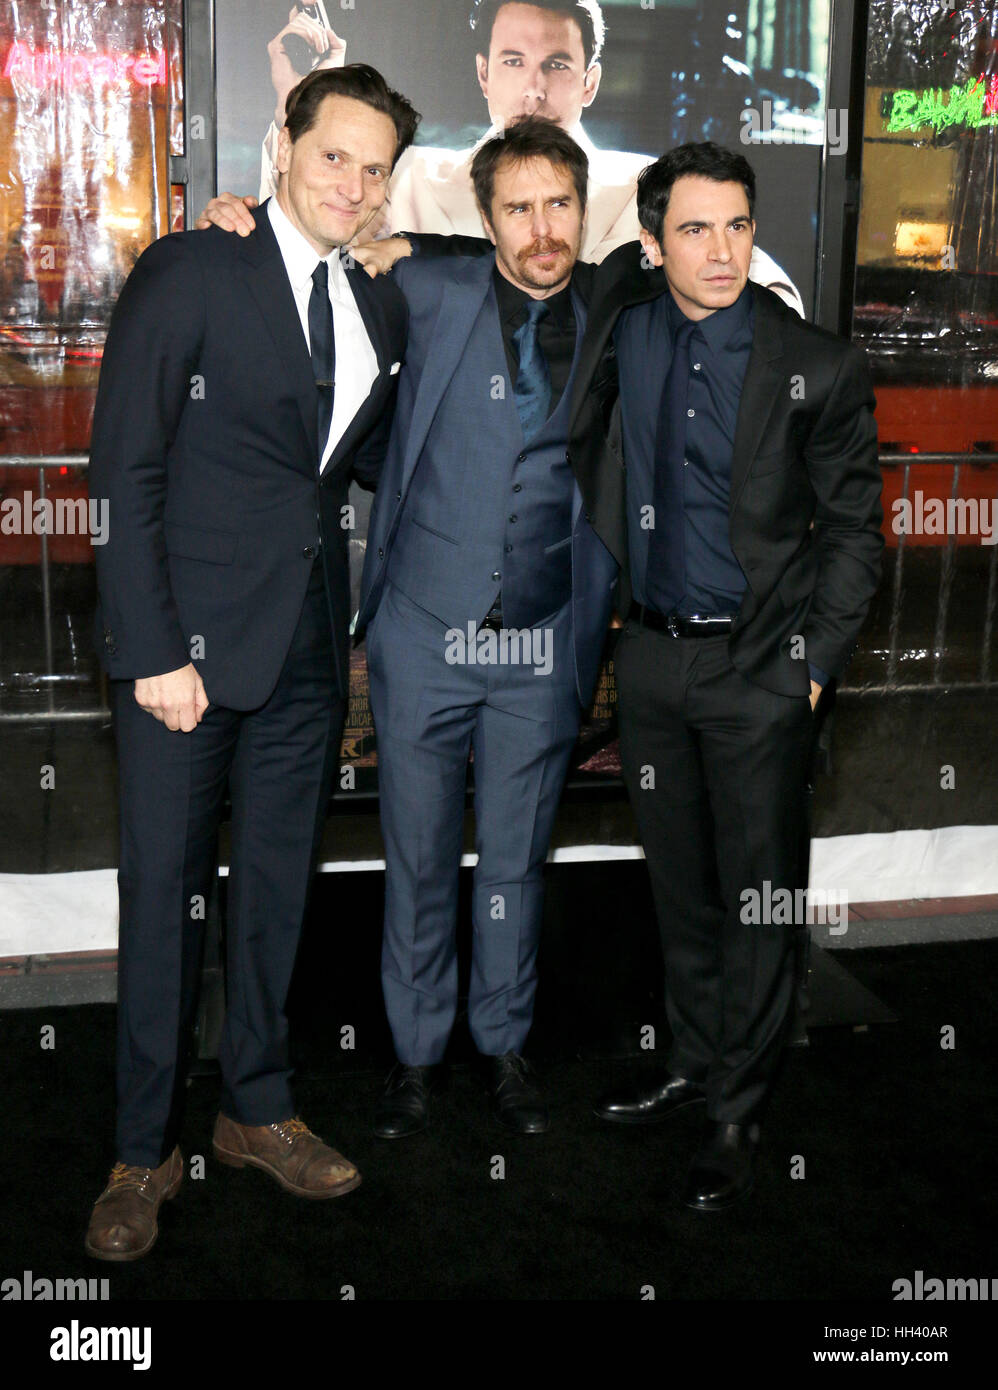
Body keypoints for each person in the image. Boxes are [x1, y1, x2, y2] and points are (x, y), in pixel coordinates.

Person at [84, 64, 418, 1260]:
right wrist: (153, 652)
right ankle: (141, 1147)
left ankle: (255, 1108)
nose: (354, 183)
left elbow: (343, 465)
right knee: (165, 908)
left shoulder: (378, 302)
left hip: (305, 659)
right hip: (181, 666)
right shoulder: (190, 269)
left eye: (375, 167)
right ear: (283, 144)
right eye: (334, 155)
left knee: (277, 897)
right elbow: (122, 473)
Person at [584, 143, 882, 1209]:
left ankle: (738, 1106)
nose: (722, 251)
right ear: (652, 240)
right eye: (696, 229)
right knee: (679, 888)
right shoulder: (623, 332)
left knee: (758, 897)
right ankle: (693, 1059)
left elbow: (854, 533)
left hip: (759, 672)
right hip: (653, 661)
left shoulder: (818, 364)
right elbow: (514, 257)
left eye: (738, 226)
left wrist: (806, 669)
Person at [356, 117, 620, 1137]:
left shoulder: (617, 302)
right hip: (426, 628)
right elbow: (319, 258)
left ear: (581, 206)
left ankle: (502, 1042)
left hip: (541, 638)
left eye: (558, 203)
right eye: (517, 208)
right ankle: (415, 1056)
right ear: (485, 219)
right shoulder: (428, 288)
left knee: (514, 857)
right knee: (417, 853)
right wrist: (235, 216)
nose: (541, 227)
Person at [243, 0, 804, 308]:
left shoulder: (650, 187)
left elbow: (772, 296)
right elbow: (299, 250)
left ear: (589, 81)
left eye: (556, 65)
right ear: (483, 74)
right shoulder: (410, 178)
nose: (534, 89)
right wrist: (299, 101)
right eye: (513, 61)